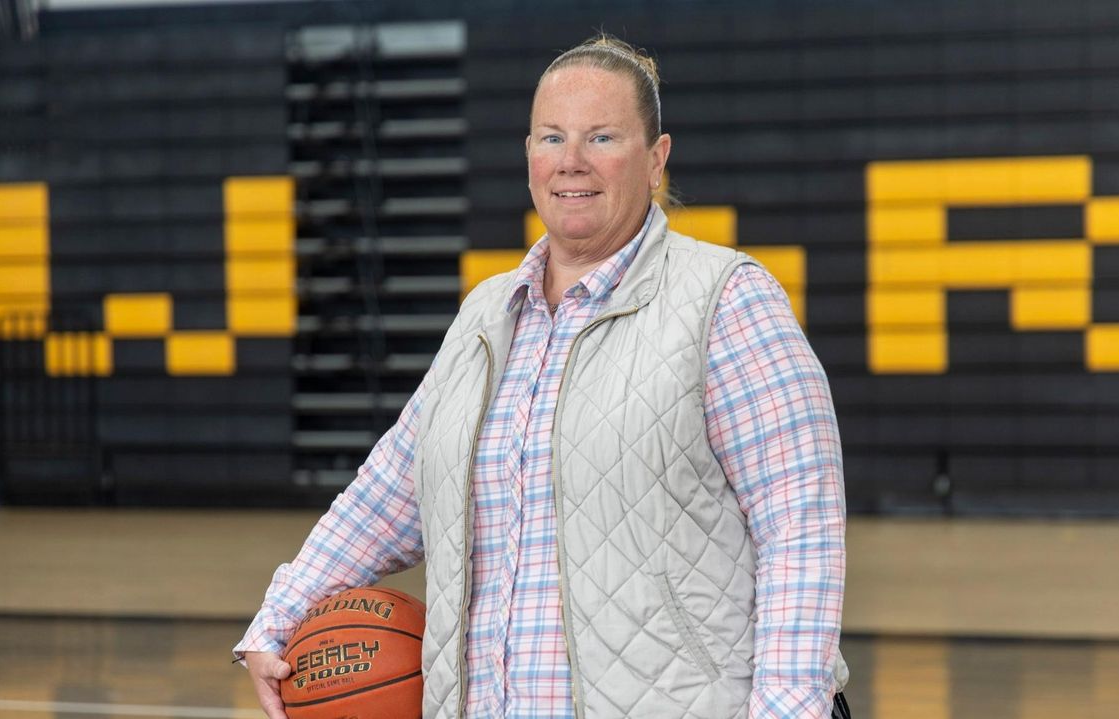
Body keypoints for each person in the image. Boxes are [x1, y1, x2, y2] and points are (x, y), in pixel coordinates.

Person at [236, 34, 848, 719]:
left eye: (603, 137)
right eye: (552, 137)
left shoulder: (726, 301)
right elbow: (390, 493)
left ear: (656, 159)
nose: (572, 162)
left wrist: (790, 706)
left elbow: (801, 526)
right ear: (528, 156)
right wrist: (280, 616)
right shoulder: (485, 315)